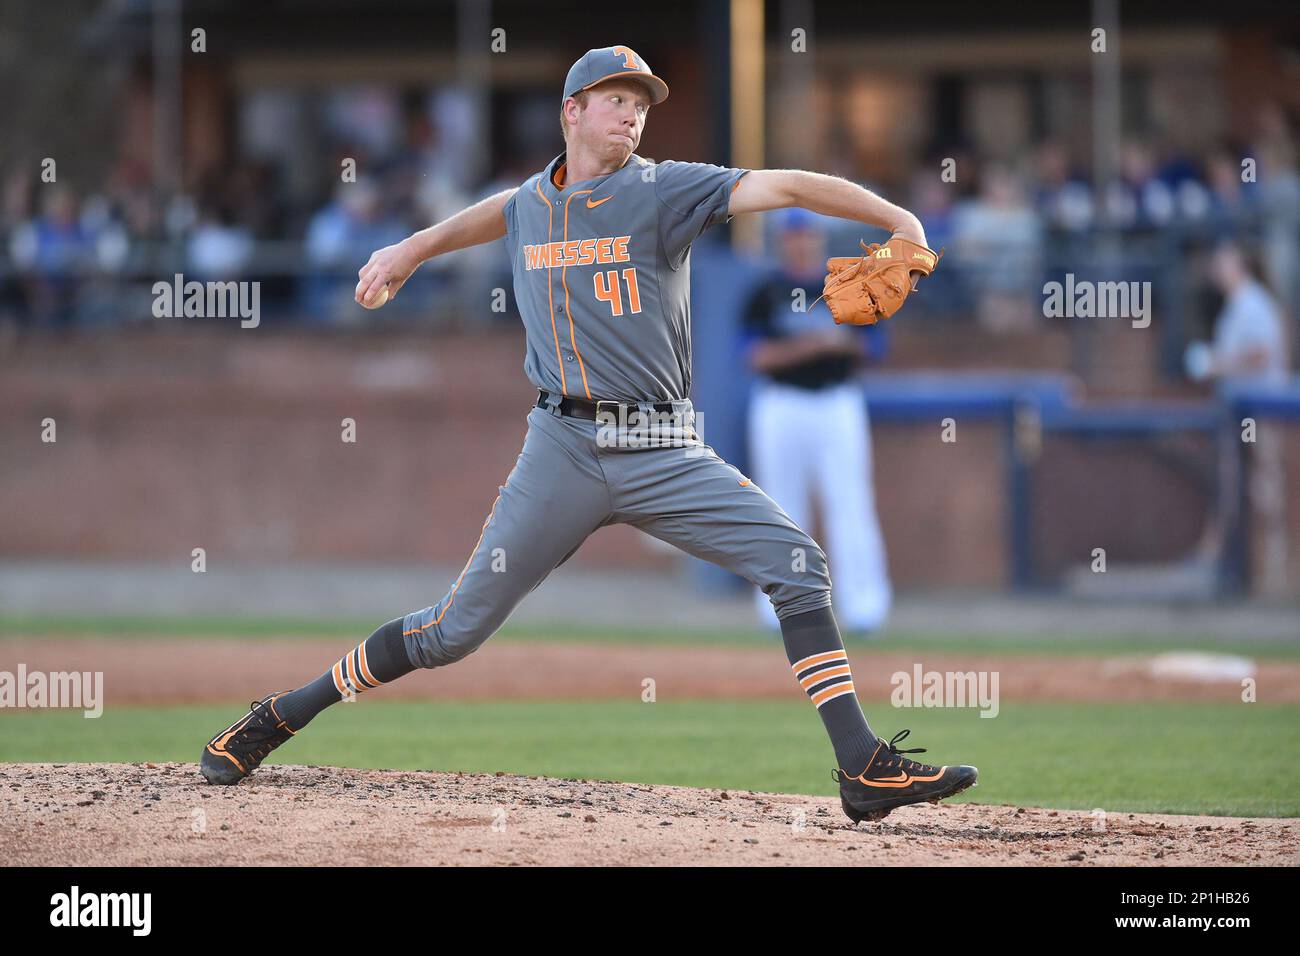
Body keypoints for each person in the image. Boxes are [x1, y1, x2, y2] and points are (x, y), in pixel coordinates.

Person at [198, 45, 975, 823]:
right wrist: (408, 248)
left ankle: (861, 766)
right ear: (572, 111)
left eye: (641, 103)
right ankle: (281, 714)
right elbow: (498, 210)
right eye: (616, 99)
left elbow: (790, 183)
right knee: (451, 632)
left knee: (797, 563)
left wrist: (901, 218)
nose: (633, 113)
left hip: (661, 446)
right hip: (560, 448)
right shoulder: (533, 201)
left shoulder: (668, 189)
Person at [743, 208, 891, 635]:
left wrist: (837, 343)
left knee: (850, 503)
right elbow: (756, 355)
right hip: (781, 402)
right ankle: (780, 609)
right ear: (783, 241)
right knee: (779, 507)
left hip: (836, 402)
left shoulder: (846, 286)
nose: (802, 242)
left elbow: (874, 347)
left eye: (808, 235)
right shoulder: (765, 290)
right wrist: (815, 345)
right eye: (794, 236)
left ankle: (864, 607)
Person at [1184, 240, 1290, 592]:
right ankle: (1228, 565)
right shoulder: (1236, 306)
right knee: (1235, 485)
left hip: (1258, 413)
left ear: (1239, 265)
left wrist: (1215, 363)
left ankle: (1273, 570)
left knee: (1263, 489)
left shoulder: (1252, 303)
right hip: (1240, 411)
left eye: (1223, 263)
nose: (1217, 270)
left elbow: (1261, 355)